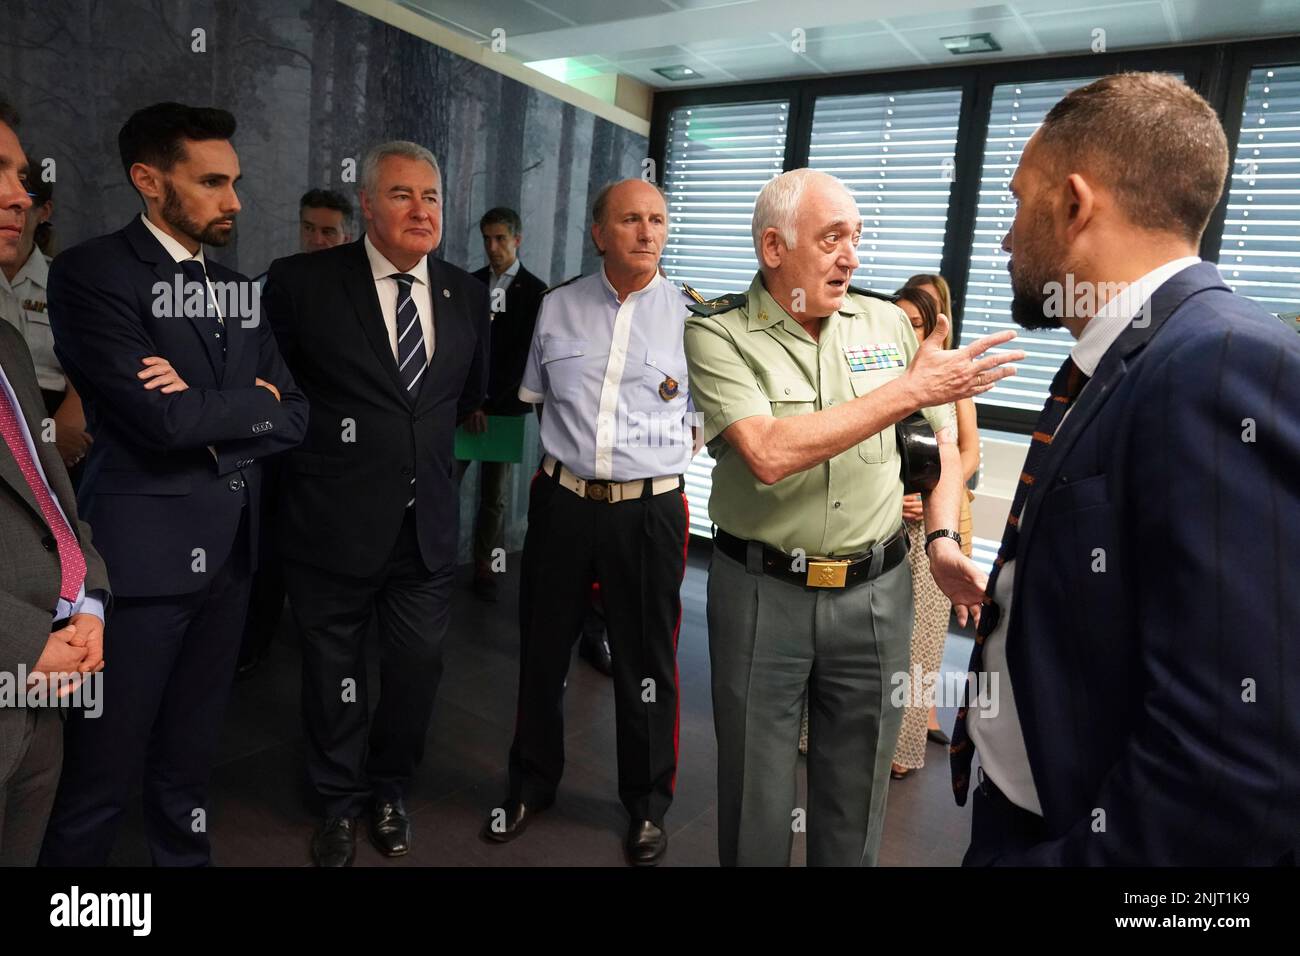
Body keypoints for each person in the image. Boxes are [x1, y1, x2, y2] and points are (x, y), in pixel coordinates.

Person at [950, 72, 1300, 865]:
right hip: (1026, 803)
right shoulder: (1119, 356)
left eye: (1015, 201)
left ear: (1074, 204)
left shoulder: (1217, 363)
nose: (1005, 237)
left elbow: (1234, 762)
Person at [683, 167, 1022, 867]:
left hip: (876, 595)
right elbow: (769, 453)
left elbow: (938, 447)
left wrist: (942, 538)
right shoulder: (717, 333)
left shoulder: (886, 323)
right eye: (832, 237)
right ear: (774, 248)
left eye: (857, 237)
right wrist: (906, 391)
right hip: (760, 594)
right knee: (757, 796)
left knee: (855, 793)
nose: (853, 256)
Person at [39, 102, 307, 867]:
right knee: (101, 767)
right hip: (140, 563)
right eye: (213, 182)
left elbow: (298, 417)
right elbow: (158, 425)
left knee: (192, 755)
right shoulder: (92, 273)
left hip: (231, 559)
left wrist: (210, 403)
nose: (235, 201)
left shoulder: (236, 287)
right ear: (149, 181)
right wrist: (251, 404)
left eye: (237, 182)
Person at [264, 141, 489, 867]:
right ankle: (334, 801)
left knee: (417, 665)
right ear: (366, 204)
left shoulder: (464, 292)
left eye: (432, 196)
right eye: (402, 194)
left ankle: (389, 788)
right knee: (331, 673)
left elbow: (463, 400)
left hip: (424, 530)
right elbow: (277, 394)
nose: (421, 209)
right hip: (330, 525)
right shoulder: (301, 283)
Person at [482, 179, 695, 867]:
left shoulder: (696, 317)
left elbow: (705, 422)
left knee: (645, 664)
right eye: (630, 219)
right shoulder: (555, 307)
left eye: (657, 219)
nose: (646, 231)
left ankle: (646, 803)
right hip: (564, 502)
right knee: (543, 650)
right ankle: (530, 786)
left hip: (649, 512)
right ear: (599, 232)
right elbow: (540, 403)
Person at [0, 97, 110, 867]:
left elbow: (51, 503)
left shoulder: (5, 339)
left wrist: (88, 597)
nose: (20, 195)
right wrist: (18, 642)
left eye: (19, 174)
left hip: (42, 700)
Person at [237, 187, 356, 678]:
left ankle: (330, 651)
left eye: (328, 231)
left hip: (342, 447)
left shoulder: (366, 293)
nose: (318, 239)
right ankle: (254, 642)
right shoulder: (274, 281)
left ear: (347, 234)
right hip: (279, 441)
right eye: (309, 228)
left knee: (334, 555)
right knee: (267, 547)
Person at [888, 284, 979, 781]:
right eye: (898, 321)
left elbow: (966, 455)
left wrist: (926, 498)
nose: (906, 333)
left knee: (919, 640)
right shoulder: (875, 373)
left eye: (916, 324)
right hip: (883, 526)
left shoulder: (949, 380)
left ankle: (904, 746)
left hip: (932, 525)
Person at [458, 206, 546, 601]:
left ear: (517, 240)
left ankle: (484, 568)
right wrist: (470, 402)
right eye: (487, 239)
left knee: (495, 497)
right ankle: (433, 563)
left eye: (500, 239)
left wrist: (489, 404)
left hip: (505, 411)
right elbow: (460, 351)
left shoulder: (536, 291)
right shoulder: (469, 284)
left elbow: (526, 358)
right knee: (442, 484)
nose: (492, 247)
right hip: (465, 408)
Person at [0, 162, 91, 474]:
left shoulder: (68, 282)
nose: (14, 206)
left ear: (44, 211)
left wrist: (60, 435)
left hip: (56, 415)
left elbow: (87, 374)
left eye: (25, 197)